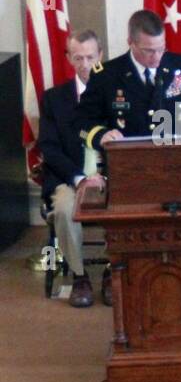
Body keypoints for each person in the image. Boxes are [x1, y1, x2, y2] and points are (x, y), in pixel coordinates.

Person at [75, 8, 181, 154]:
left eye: (161, 48)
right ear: (131, 42)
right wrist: (101, 136)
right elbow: (81, 123)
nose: (157, 56)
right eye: (149, 51)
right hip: (128, 163)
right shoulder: (107, 75)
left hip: (180, 161)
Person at [37, 30, 107, 308]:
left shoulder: (115, 94)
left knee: (125, 204)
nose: (85, 64)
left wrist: (105, 176)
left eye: (90, 57)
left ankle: (113, 271)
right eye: (78, 57)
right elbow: (50, 148)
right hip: (69, 178)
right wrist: (79, 179)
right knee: (65, 209)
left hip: (110, 177)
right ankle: (80, 276)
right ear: (68, 58)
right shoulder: (55, 99)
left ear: (100, 56)